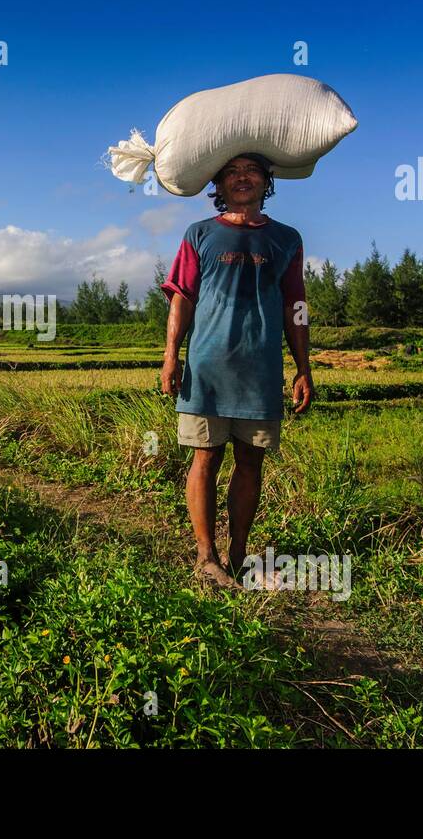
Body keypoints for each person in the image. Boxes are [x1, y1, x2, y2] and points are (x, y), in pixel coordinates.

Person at [159, 152, 313, 588]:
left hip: (260, 371)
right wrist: (171, 354)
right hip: (207, 367)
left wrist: (304, 367)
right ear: (218, 186)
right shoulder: (200, 234)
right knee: (204, 457)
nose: (241, 178)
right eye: (231, 172)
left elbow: (295, 304)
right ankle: (207, 557)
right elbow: (181, 297)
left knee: (251, 462)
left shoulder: (286, 239)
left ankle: (240, 554)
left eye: (251, 171)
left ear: (267, 182)